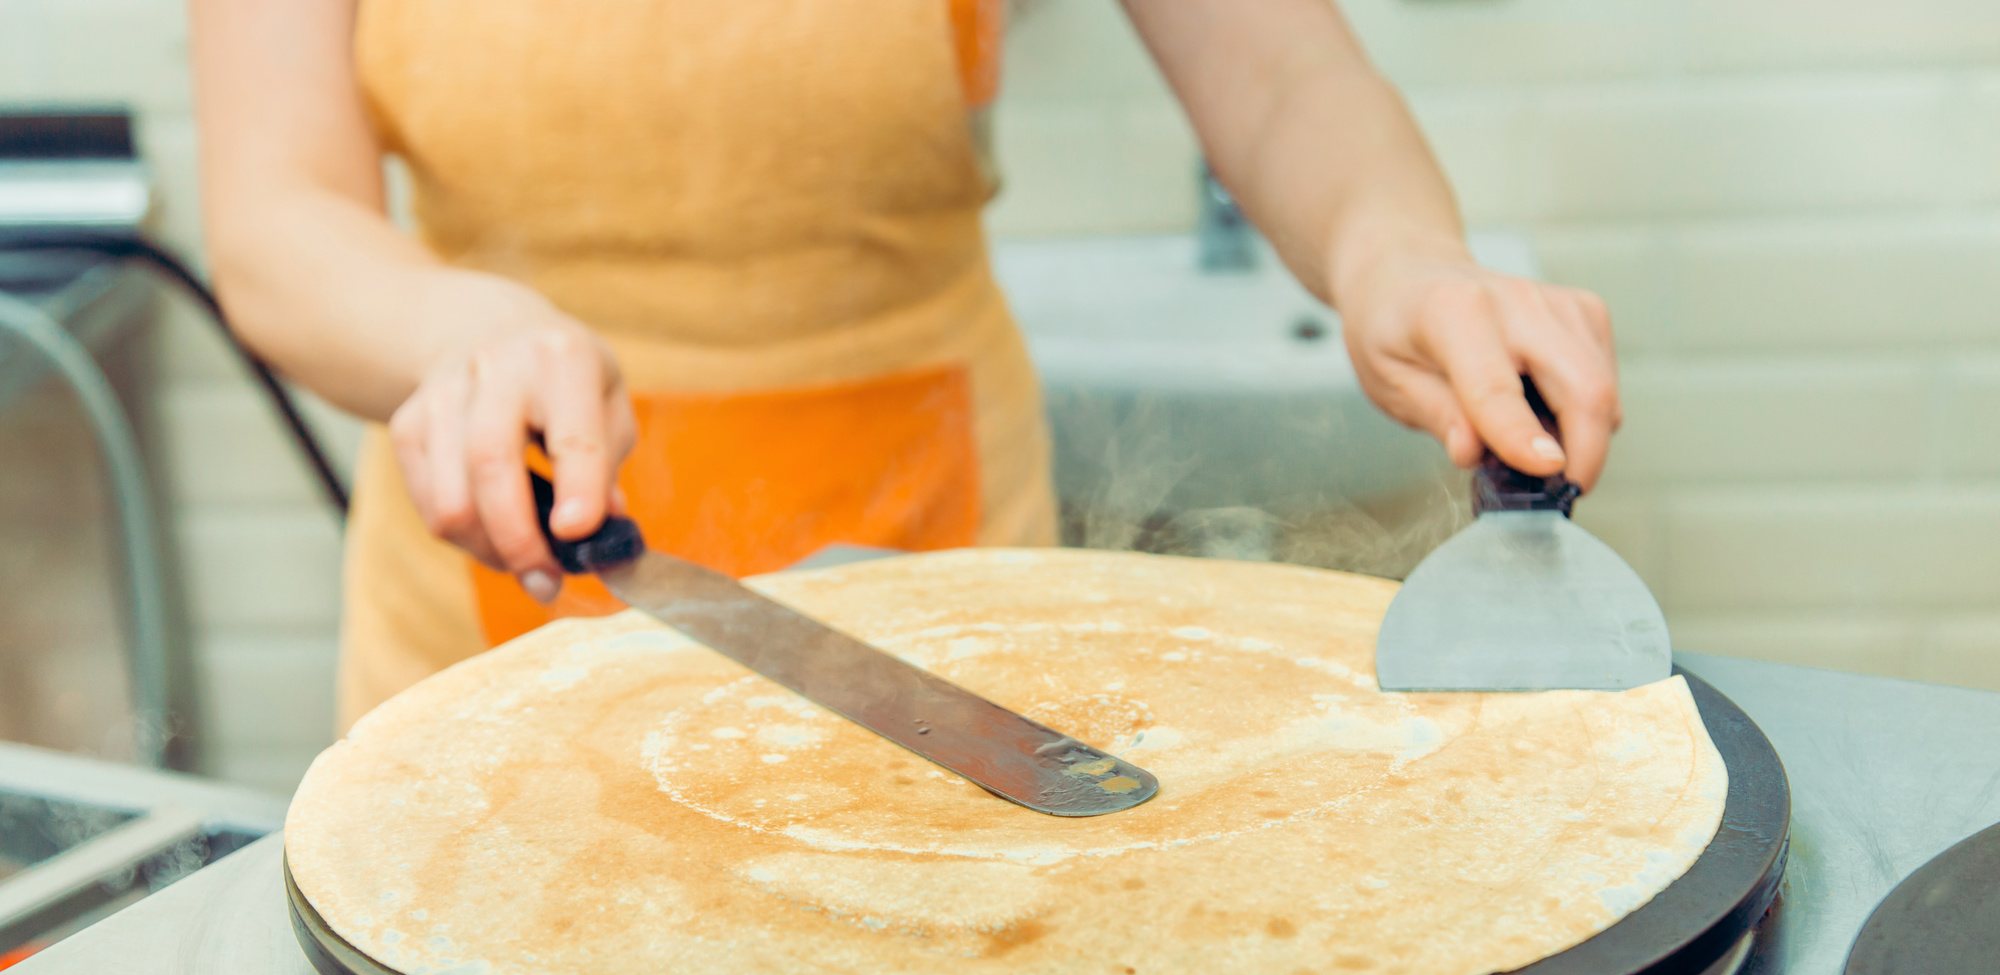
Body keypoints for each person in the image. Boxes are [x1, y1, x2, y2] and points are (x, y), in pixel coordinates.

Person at [191, 0, 1620, 730]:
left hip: (946, 591)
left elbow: (1281, 71)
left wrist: (1401, 254)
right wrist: (459, 336)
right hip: (498, 584)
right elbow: (273, 216)